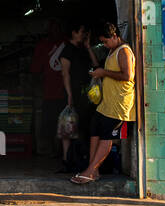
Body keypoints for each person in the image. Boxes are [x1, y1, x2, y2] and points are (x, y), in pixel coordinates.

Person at [72, 22, 136, 185]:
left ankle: (90, 171)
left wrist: (104, 73)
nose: (105, 45)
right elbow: (102, 68)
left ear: (115, 36)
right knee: (94, 129)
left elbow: (127, 76)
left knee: (107, 137)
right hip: (106, 103)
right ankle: (94, 170)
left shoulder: (124, 51)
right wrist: (99, 72)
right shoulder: (112, 51)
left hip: (119, 104)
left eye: (106, 41)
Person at [56, 22, 98, 173]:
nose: (83, 34)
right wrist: (69, 94)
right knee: (69, 128)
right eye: (81, 31)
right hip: (71, 94)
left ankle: (81, 159)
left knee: (82, 127)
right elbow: (65, 73)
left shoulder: (82, 50)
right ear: (73, 32)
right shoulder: (67, 50)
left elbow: (96, 66)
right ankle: (67, 161)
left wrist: (88, 47)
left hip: (85, 95)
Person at [30, 19, 66, 157]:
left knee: (63, 125)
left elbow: (35, 69)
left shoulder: (66, 43)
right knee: (51, 124)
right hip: (50, 93)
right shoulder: (44, 45)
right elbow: (35, 69)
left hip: (63, 93)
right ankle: (54, 150)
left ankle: (61, 152)